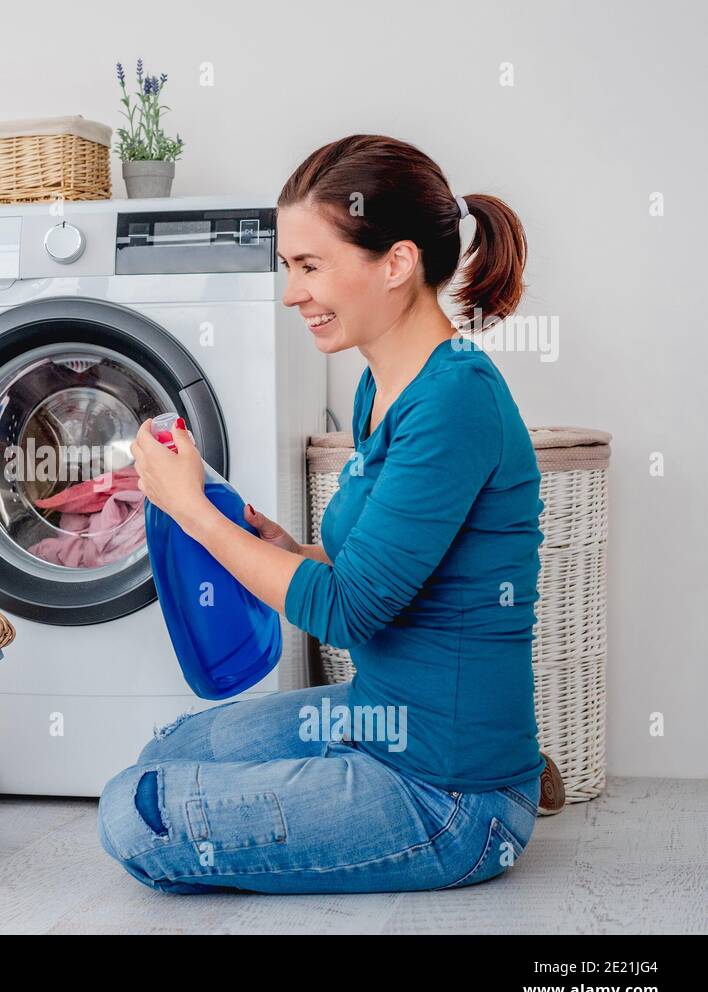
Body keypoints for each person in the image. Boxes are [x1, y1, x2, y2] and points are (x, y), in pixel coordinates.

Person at [99, 133, 557, 894]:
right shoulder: (381, 388)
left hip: (447, 795)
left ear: (397, 262)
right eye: (289, 267)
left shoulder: (456, 400)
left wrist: (191, 511)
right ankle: (343, 784)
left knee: (132, 813)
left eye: (310, 266)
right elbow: (364, 573)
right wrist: (280, 544)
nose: (290, 292)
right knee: (173, 745)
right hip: (378, 716)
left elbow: (347, 611)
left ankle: (502, 780)